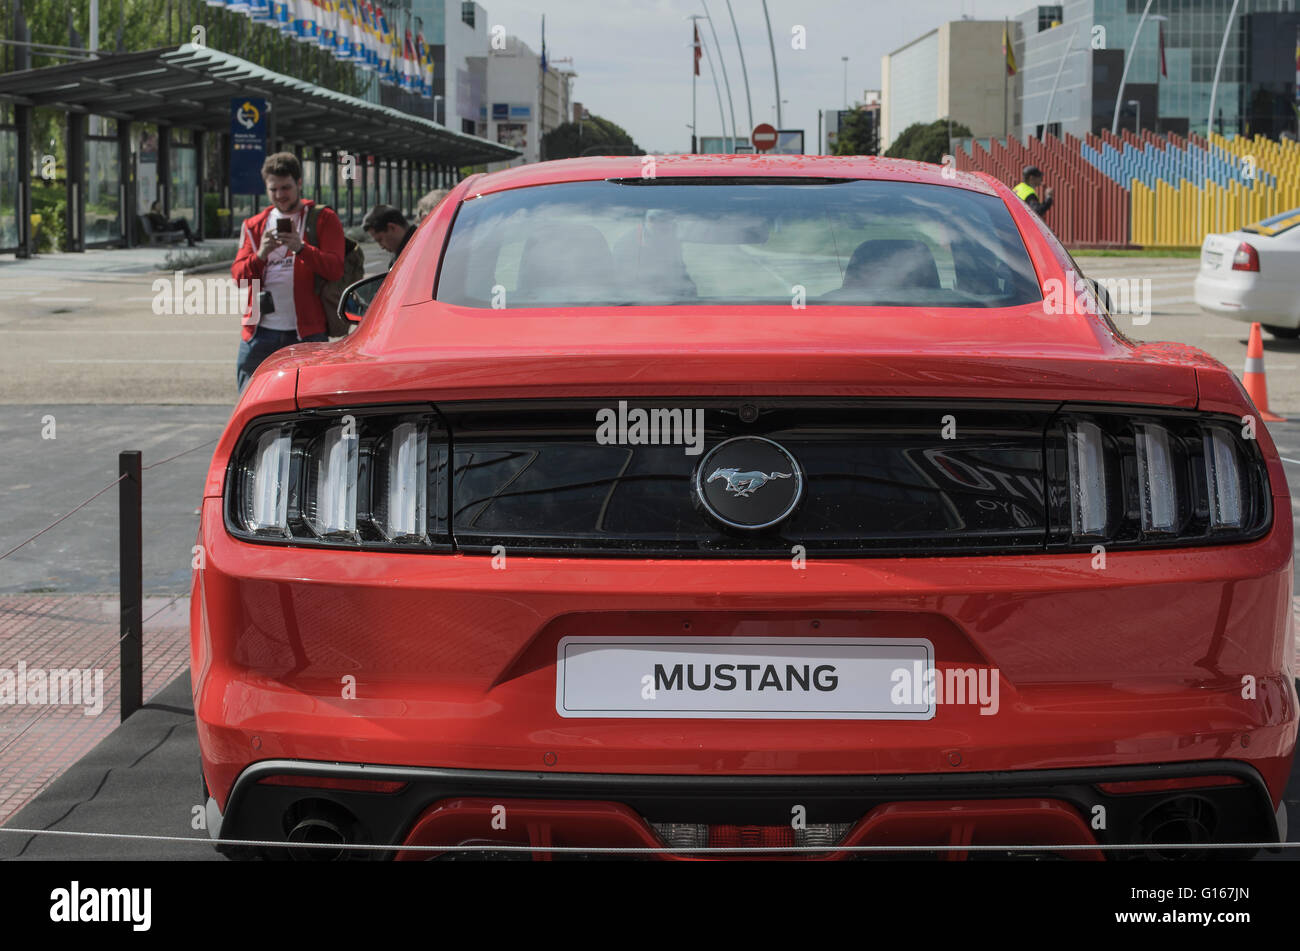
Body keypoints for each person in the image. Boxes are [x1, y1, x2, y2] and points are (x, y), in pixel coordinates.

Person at [231, 151, 345, 392]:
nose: (280, 195)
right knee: (249, 399)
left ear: (299, 183)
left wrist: (301, 248)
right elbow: (239, 278)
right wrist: (261, 255)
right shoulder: (254, 225)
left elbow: (335, 269)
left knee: (311, 399)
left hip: (307, 332)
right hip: (260, 332)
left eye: (286, 187)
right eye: (274, 189)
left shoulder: (323, 219)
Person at [362, 204, 416, 269]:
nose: (382, 246)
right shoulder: (409, 250)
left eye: (380, 239)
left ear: (392, 227)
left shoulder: (415, 254)